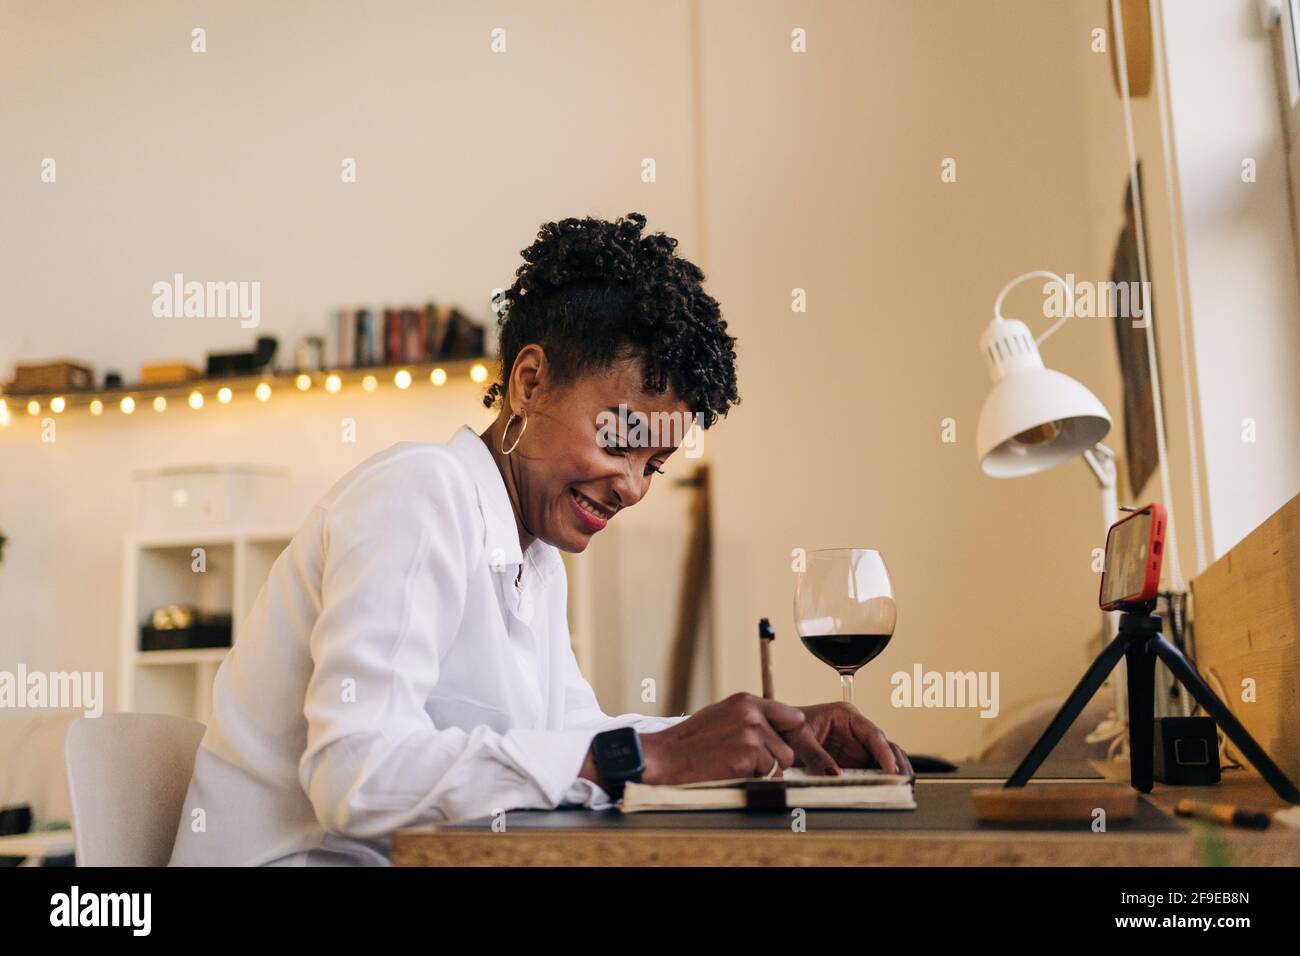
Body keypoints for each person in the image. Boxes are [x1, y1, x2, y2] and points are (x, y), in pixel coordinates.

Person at [168, 212, 912, 866]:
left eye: (653, 465)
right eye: (619, 441)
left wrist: (767, 737)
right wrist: (644, 755)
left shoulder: (534, 555)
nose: (633, 488)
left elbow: (573, 735)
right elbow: (356, 774)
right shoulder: (419, 493)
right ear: (529, 382)